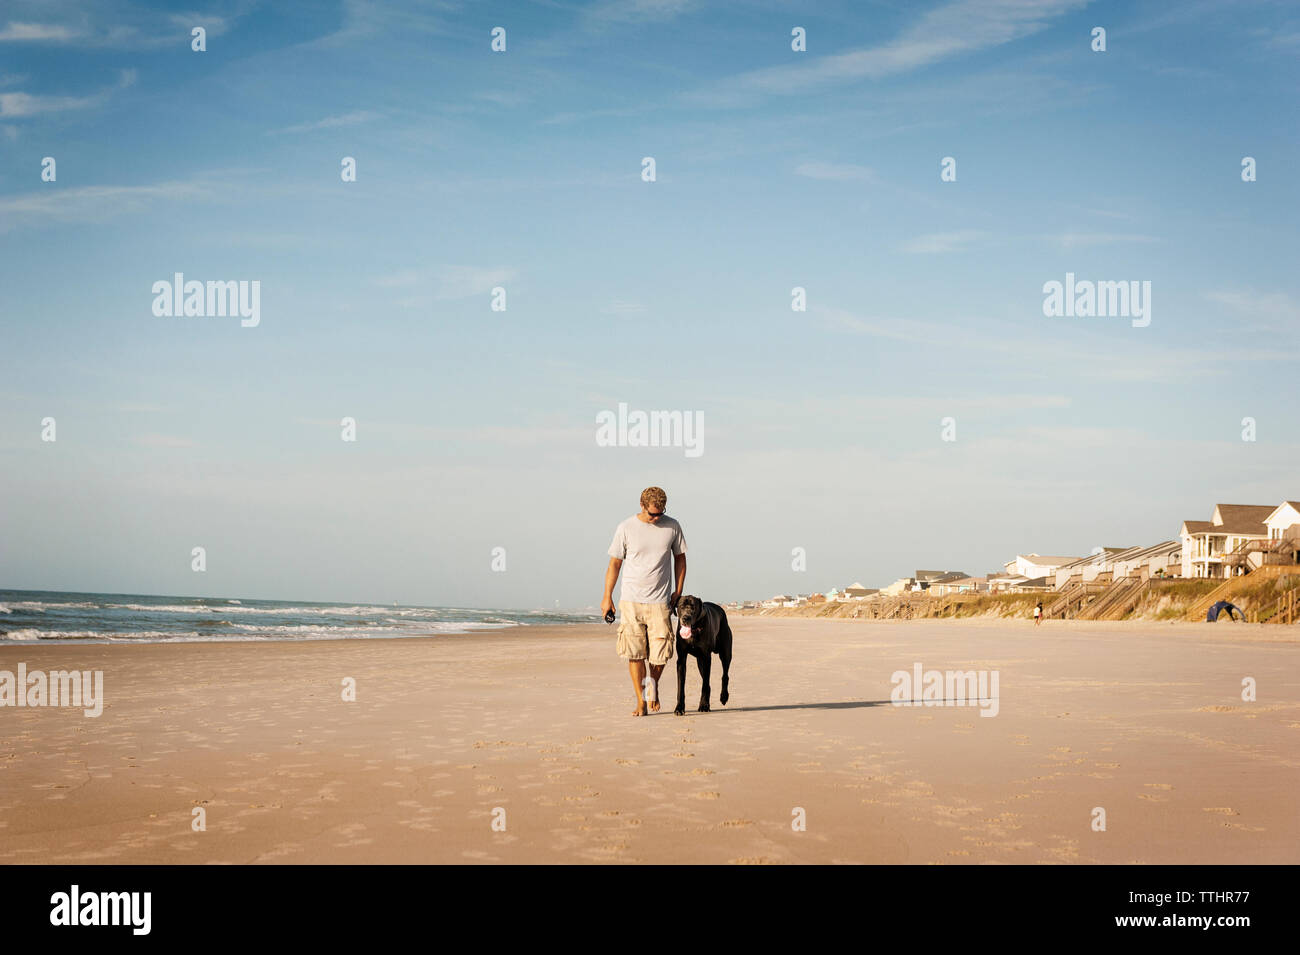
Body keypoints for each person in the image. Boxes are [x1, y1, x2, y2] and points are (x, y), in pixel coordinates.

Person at [601, 487, 686, 716]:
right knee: (635, 653)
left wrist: (678, 591)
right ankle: (641, 700)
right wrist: (607, 597)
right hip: (631, 601)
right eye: (652, 514)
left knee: (660, 656)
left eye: (660, 513)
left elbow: (680, 559)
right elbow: (615, 564)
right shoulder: (626, 527)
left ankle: (652, 684)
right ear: (642, 505)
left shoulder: (672, 526)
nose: (656, 518)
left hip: (660, 602)